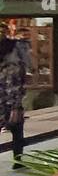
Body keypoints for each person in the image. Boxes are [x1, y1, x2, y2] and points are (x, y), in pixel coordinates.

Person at [0, 23, 30, 166]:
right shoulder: (12, 63)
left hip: (9, 102)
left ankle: (18, 159)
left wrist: (16, 107)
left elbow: (17, 86)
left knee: (17, 129)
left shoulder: (13, 65)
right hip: (6, 101)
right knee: (17, 130)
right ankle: (18, 158)